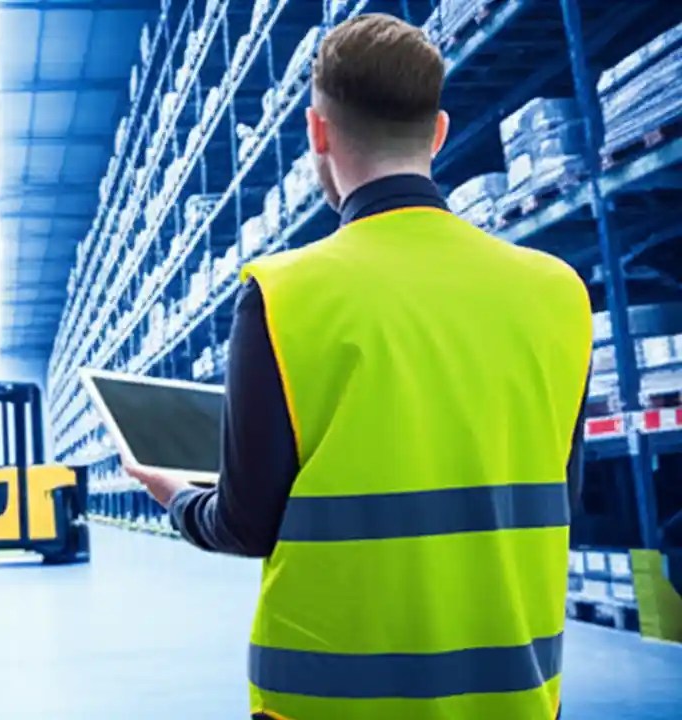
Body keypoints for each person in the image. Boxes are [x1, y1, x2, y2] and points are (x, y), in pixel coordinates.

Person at [123, 14, 590, 720]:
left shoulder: (283, 293)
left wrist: (176, 496)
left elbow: (247, 524)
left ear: (317, 133)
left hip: (328, 700)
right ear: (436, 133)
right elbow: (561, 500)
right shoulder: (558, 292)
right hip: (515, 694)